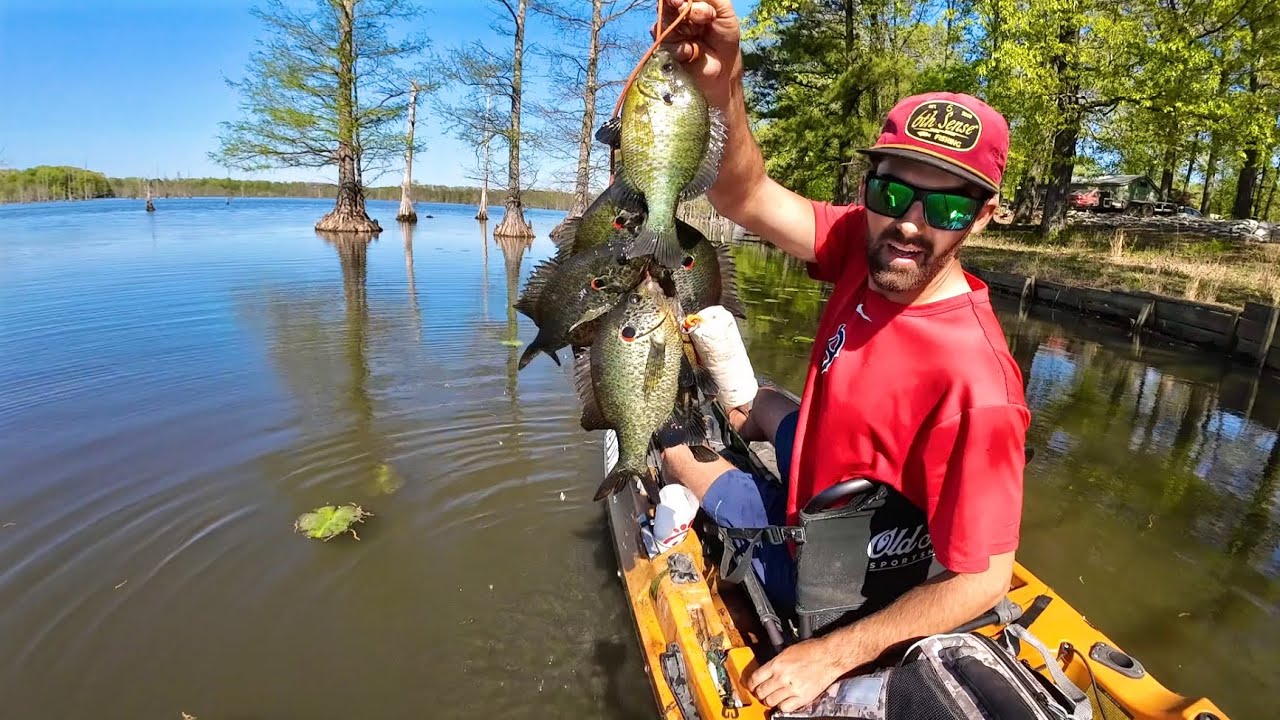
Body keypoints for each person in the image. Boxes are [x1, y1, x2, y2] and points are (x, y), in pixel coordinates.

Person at [654, 0, 1032, 713]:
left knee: (673, 447)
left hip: (838, 559)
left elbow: (985, 580)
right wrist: (723, 76)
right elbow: (744, 193)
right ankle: (756, 418)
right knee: (756, 404)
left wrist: (830, 653)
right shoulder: (867, 245)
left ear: (982, 217)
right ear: (869, 187)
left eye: (947, 210)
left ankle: (694, 467)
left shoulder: (976, 385)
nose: (910, 226)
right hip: (833, 469)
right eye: (893, 192)